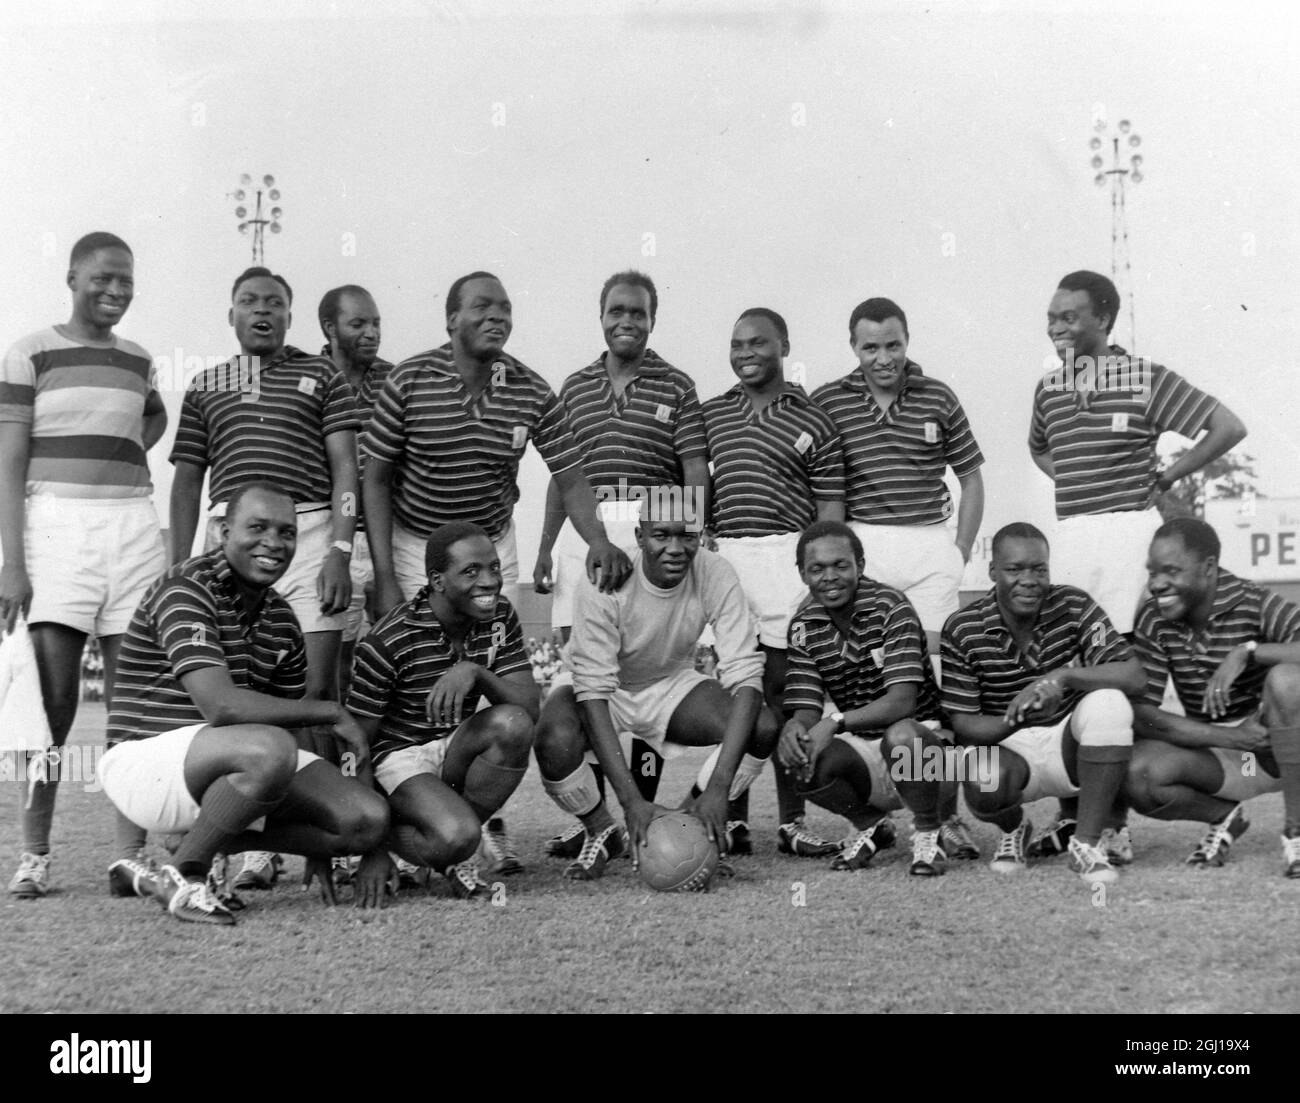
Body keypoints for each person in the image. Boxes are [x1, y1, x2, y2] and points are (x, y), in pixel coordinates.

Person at [1027, 269, 1247, 855]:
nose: (1057, 327)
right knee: (1070, 671)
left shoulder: (1144, 377)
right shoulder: (1048, 389)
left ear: (1103, 318)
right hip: (1072, 539)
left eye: (1069, 316)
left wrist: (1168, 476)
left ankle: (1114, 827)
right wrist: (1078, 483)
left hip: (1129, 539)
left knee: (1122, 677)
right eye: (1051, 317)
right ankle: (1078, 815)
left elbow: (1227, 425)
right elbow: (1039, 447)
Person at [98, 482, 388, 925]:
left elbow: (296, 729)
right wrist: (330, 709)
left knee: (364, 821)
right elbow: (222, 707)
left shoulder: (280, 617)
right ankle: (186, 872)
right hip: (145, 764)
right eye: (257, 527)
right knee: (268, 748)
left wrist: (322, 838)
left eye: (286, 532)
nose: (273, 543)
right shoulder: (187, 588)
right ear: (222, 531)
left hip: (225, 762)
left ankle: (199, 838)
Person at [170, 266, 360, 892]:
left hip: (306, 532)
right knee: (233, 689)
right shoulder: (206, 384)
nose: (262, 311)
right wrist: (180, 560)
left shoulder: (322, 375)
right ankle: (236, 842)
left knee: (313, 691)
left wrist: (338, 545)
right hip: (230, 533)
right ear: (230, 313)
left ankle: (322, 847)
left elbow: (345, 470)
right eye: (249, 302)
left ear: (290, 313)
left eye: (275, 303)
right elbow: (189, 480)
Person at [0, 232, 168, 898]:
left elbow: (150, 422)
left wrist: (118, 458)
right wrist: (12, 563)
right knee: (55, 700)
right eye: (103, 278)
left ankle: (129, 853)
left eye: (126, 279)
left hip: (131, 526)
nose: (116, 290)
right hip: (55, 528)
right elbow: (9, 464)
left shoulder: (139, 359)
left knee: (135, 701)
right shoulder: (29, 351)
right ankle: (35, 851)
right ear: (72, 276)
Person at [531, 271, 709, 856]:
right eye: (616, 311)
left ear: (653, 318)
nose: (626, 321)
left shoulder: (677, 385)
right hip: (587, 530)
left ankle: (645, 816)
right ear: (600, 315)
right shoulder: (574, 387)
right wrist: (544, 549)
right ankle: (598, 822)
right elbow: (563, 478)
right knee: (584, 677)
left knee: (642, 673)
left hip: (650, 529)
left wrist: (691, 535)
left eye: (637, 312)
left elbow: (693, 471)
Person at [537, 489, 775, 880]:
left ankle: (692, 822)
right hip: (604, 689)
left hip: (668, 681)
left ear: (700, 536)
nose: (676, 548)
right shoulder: (604, 579)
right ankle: (602, 830)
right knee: (553, 737)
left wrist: (719, 786)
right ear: (639, 536)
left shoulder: (716, 571)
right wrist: (631, 801)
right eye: (661, 535)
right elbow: (594, 690)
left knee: (761, 725)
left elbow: (746, 675)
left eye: (687, 536)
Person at [364, 270, 630, 614]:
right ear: (452, 320)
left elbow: (572, 479)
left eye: (505, 308)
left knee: (496, 657)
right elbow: (375, 481)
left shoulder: (531, 390)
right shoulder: (408, 380)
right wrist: (385, 576)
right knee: (418, 660)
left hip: (492, 549)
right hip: (417, 548)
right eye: (482, 306)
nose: (497, 316)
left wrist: (599, 541)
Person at [702, 308, 846, 858]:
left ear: (784, 344)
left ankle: (791, 821)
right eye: (736, 343)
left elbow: (830, 504)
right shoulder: (711, 414)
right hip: (733, 560)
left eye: (758, 342)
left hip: (789, 558)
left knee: (788, 694)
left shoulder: (815, 418)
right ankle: (734, 818)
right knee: (742, 695)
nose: (745, 353)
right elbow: (696, 487)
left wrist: (815, 569)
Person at [345, 522, 541, 899]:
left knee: (513, 724)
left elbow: (530, 707)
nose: (489, 581)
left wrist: (476, 673)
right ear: (437, 581)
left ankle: (451, 849)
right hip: (400, 759)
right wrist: (372, 847)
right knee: (457, 837)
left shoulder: (499, 616)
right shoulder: (388, 639)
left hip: (453, 745)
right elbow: (355, 746)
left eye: (494, 568)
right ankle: (423, 842)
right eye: (471, 571)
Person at [940, 523, 1143, 884]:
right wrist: (1024, 713)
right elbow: (966, 725)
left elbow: (1132, 674)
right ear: (992, 572)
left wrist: (1062, 678)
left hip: (1069, 744)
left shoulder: (1074, 603)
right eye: (1014, 569)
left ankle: (1086, 843)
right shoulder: (963, 627)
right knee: (982, 777)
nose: (1029, 580)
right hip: (1010, 746)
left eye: (1039, 569)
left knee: (1110, 703)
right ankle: (1015, 829)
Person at [778, 520, 968, 876]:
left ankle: (929, 832)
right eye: (817, 568)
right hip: (868, 753)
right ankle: (872, 825)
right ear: (802, 573)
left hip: (927, 752)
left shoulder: (891, 606)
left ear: (860, 566)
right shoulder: (803, 625)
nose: (830, 576)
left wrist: (834, 722)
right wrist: (795, 728)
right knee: (796, 752)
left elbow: (902, 703)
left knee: (902, 735)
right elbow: (806, 705)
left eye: (841, 565)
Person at [1126, 518, 1300, 878]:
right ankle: (1224, 818)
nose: (1157, 583)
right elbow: (1143, 714)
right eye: (1152, 571)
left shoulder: (1253, 601)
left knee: (1286, 680)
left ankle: (1296, 833)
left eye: (1170, 570)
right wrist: (1233, 737)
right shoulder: (1155, 615)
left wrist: (1248, 652)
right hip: (1231, 754)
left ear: (1207, 568)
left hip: (1281, 741)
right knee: (1137, 772)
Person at [811, 297, 984, 655]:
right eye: (870, 348)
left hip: (930, 543)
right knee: (869, 660)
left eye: (894, 345)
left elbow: (971, 478)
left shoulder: (938, 396)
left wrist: (961, 551)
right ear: (853, 347)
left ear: (907, 339)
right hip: (864, 543)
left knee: (934, 661)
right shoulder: (829, 400)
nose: (884, 358)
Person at [317, 284, 394, 699]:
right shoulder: (309, 377)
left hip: (386, 539)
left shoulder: (394, 379)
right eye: (358, 323)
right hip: (331, 541)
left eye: (376, 323)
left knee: (386, 659)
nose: (372, 332)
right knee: (330, 665)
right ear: (330, 327)